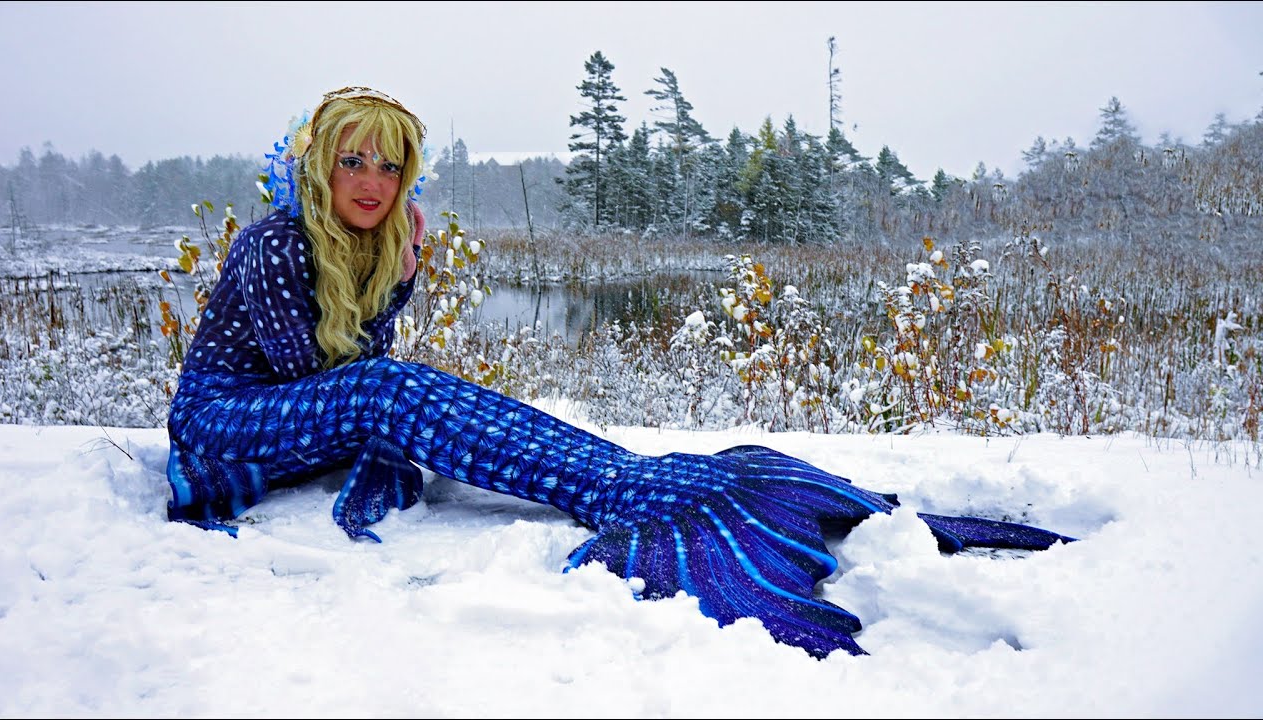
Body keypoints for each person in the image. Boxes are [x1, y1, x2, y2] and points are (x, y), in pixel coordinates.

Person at [165, 86, 1075, 659]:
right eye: (352, 159)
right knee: (392, 393)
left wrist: (394, 282)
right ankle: (620, 489)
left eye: (389, 163)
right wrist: (398, 300)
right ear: (316, 165)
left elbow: (354, 374)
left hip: (301, 409)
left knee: (400, 394)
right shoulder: (277, 243)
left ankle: (632, 484)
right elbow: (314, 376)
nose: (371, 179)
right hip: (226, 425)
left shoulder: (373, 242)